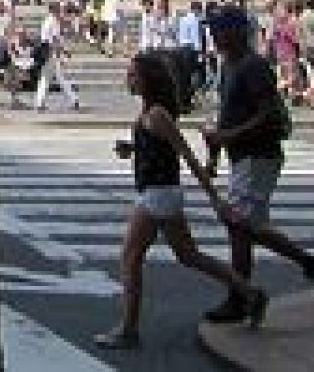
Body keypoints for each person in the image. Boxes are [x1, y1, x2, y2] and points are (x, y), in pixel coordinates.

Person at [95, 54, 265, 350]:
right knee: (189, 255)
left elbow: (186, 155)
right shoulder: (150, 113)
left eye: (134, 75)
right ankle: (250, 292)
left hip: (158, 194)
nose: (128, 80)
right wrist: (133, 149)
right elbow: (158, 148)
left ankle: (129, 329)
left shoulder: (157, 114)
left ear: (148, 80)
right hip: (161, 193)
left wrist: (216, 199)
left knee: (131, 257)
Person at [200, 5, 314, 321]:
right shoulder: (229, 66)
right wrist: (215, 153)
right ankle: (306, 272)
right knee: (243, 228)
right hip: (243, 155)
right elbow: (227, 115)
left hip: (258, 155)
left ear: (237, 32)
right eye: (213, 30)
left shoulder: (253, 66)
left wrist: (228, 136)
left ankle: (250, 293)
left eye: (220, 29)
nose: (215, 35)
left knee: (240, 224)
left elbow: (269, 114)